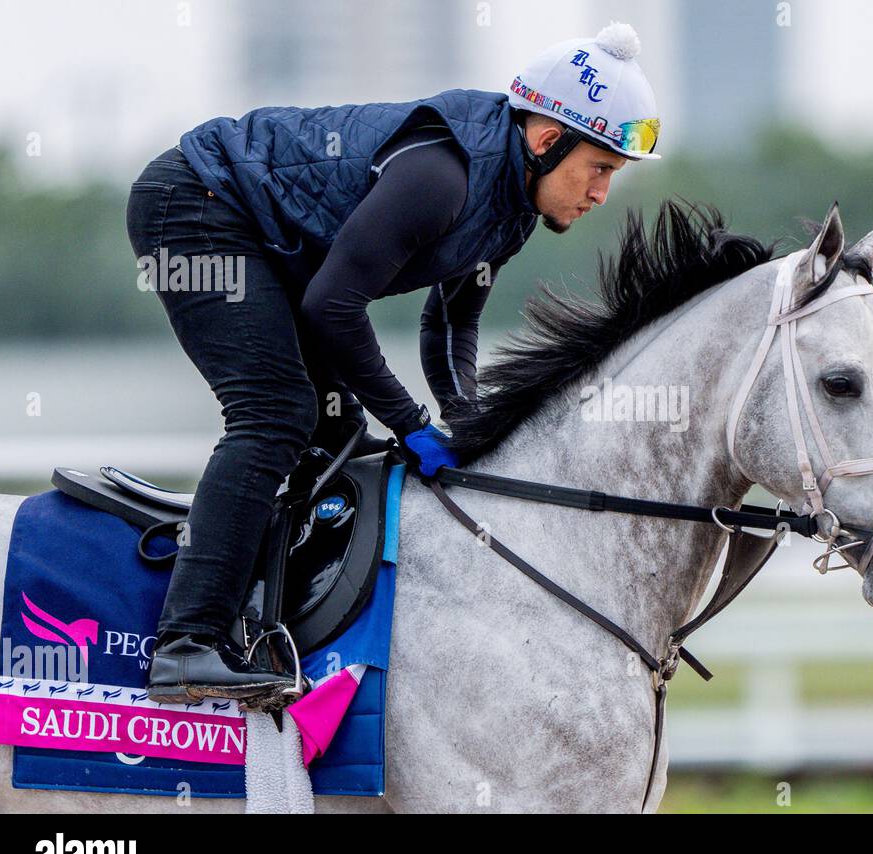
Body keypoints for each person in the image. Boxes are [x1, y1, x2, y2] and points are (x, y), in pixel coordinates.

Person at [130, 22, 661, 704]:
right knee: (277, 413)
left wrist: (467, 428)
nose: (600, 194)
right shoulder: (440, 177)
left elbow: (448, 324)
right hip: (198, 206)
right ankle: (187, 642)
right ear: (545, 138)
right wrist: (412, 423)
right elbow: (331, 308)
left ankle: (271, 625)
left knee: (337, 429)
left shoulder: (512, 211)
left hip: (272, 244)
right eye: (600, 168)